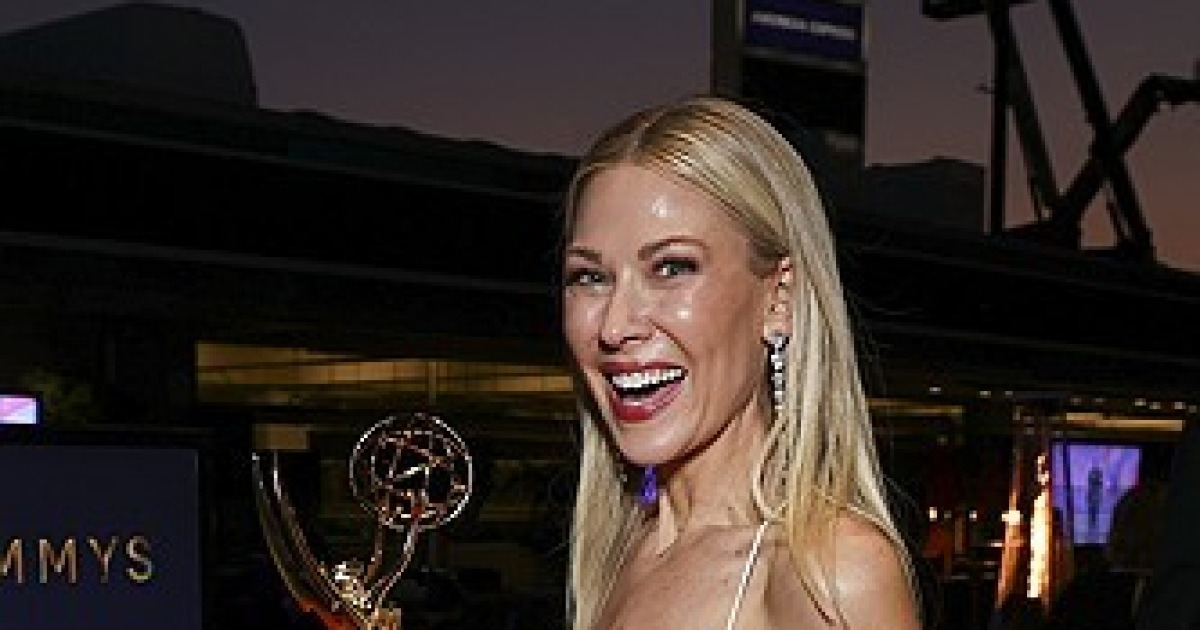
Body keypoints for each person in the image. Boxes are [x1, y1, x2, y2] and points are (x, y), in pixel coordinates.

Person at [558, 95, 922, 629]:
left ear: (778, 299)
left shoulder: (829, 574)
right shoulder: (620, 555)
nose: (615, 326)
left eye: (671, 268)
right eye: (590, 277)